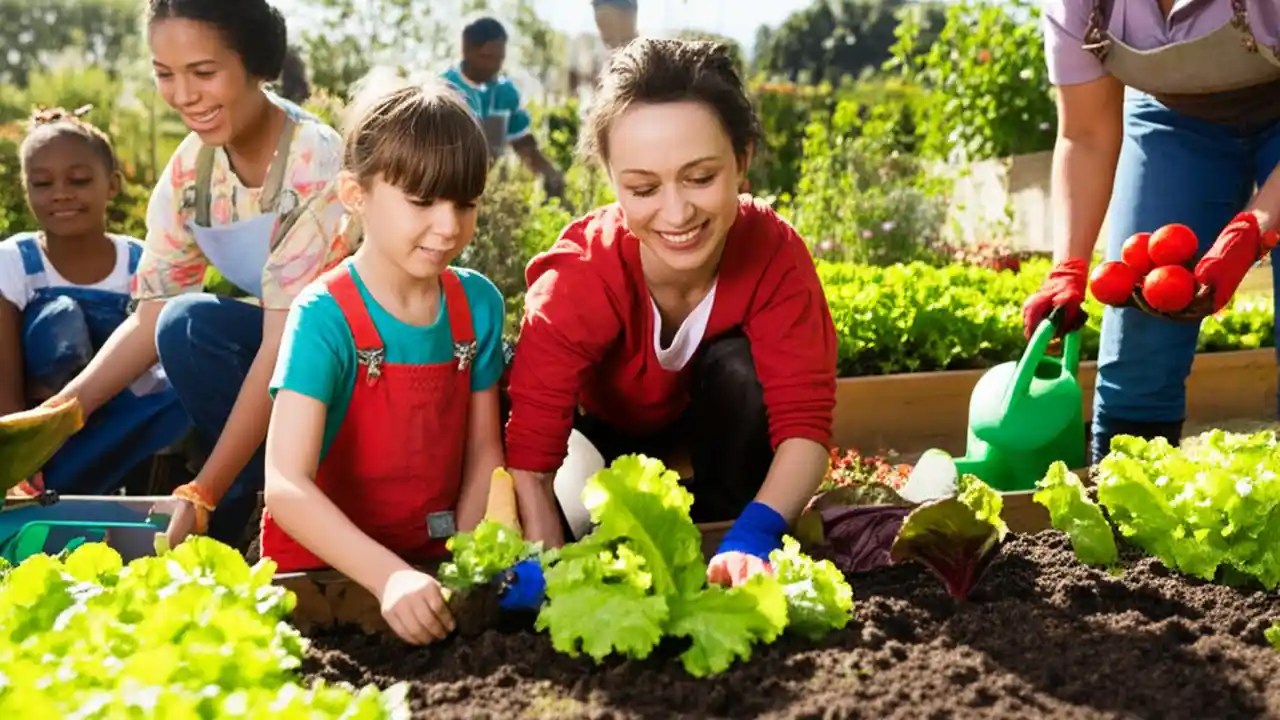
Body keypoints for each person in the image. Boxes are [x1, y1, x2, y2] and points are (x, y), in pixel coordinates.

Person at [502, 38, 838, 588]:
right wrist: (550, 571)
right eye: (642, 188)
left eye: (701, 178)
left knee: (740, 369)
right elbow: (532, 459)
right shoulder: (581, 274)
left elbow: (805, 427)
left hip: (715, 464)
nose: (676, 213)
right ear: (612, 180)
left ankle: (722, 534)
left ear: (742, 160)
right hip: (596, 455)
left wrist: (755, 533)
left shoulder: (772, 251)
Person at [43, 0, 353, 547]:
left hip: (360, 366)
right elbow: (152, 315)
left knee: (195, 328)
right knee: (185, 326)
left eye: (203, 73)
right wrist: (56, 416)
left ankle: (266, 499)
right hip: (290, 356)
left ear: (254, 64)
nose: (184, 96)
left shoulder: (313, 161)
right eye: (165, 74)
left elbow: (289, 340)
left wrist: (205, 488)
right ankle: (255, 498)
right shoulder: (192, 171)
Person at [260, 78, 506, 646]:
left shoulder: (478, 306)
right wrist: (386, 576)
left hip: (429, 569)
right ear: (355, 193)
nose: (448, 227)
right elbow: (285, 484)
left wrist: (465, 567)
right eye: (422, 202)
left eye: (465, 203)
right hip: (323, 582)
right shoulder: (324, 316)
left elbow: (484, 451)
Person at [1026, 0, 1280, 463]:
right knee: (1140, 342)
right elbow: (1084, 134)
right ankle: (1129, 518)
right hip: (1174, 120)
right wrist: (1068, 267)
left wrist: (1255, 226)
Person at [0, 106, 189, 494]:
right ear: (26, 189)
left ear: (113, 185)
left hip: (121, 415)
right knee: (61, 319)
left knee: (182, 393)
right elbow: (3, 373)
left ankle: (121, 482)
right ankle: (49, 476)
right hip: (42, 421)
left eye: (80, 180)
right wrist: (15, 456)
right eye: (42, 183)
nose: (61, 194)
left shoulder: (142, 261)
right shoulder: (15, 261)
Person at [442, 17, 565, 198]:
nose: (494, 65)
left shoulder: (505, 92)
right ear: (466, 50)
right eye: (486, 57)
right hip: (447, 186)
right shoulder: (445, 88)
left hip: (486, 189)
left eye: (499, 58)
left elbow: (523, 144)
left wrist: (550, 175)